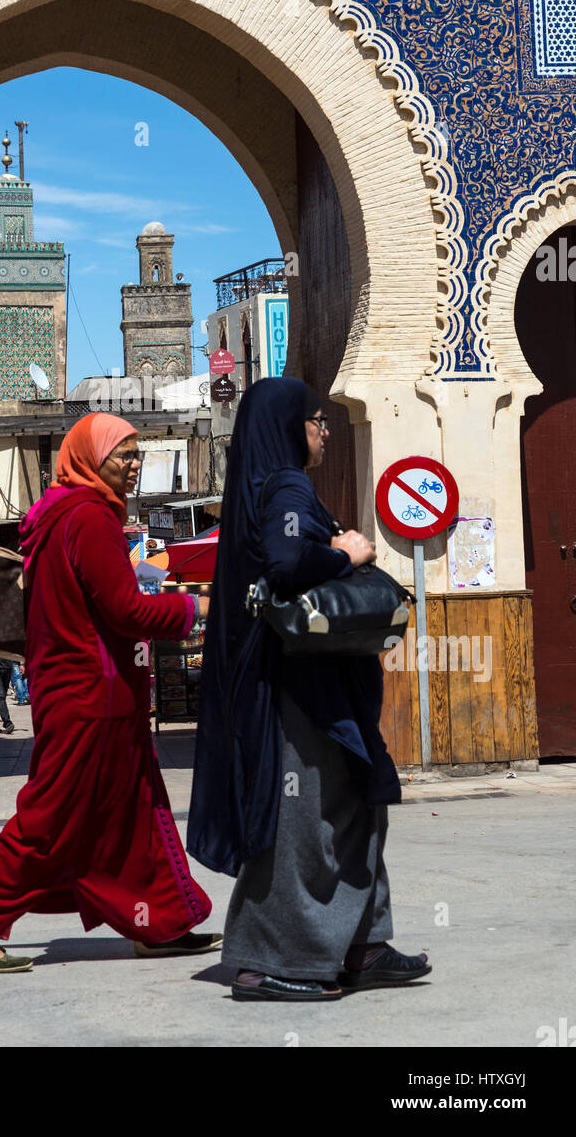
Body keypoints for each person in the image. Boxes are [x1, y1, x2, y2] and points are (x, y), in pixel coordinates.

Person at [0, 412, 221, 973]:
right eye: (124, 455)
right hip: (88, 695)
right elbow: (126, 609)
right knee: (53, 812)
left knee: (134, 811)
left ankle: (157, 922)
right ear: (93, 461)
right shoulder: (89, 518)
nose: (136, 464)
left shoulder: (60, 516)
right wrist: (198, 608)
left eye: (138, 453)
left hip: (89, 693)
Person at [188, 376, 431, 1002]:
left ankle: (362, 944)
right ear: (287, 426)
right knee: (303, 816)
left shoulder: (253, 488)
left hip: (300, 678)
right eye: (316, 420)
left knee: (355, 801)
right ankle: (269, 961)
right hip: (301, 688)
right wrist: (349, 554)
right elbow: (288, 565)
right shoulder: (289, 485)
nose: (323, 430)